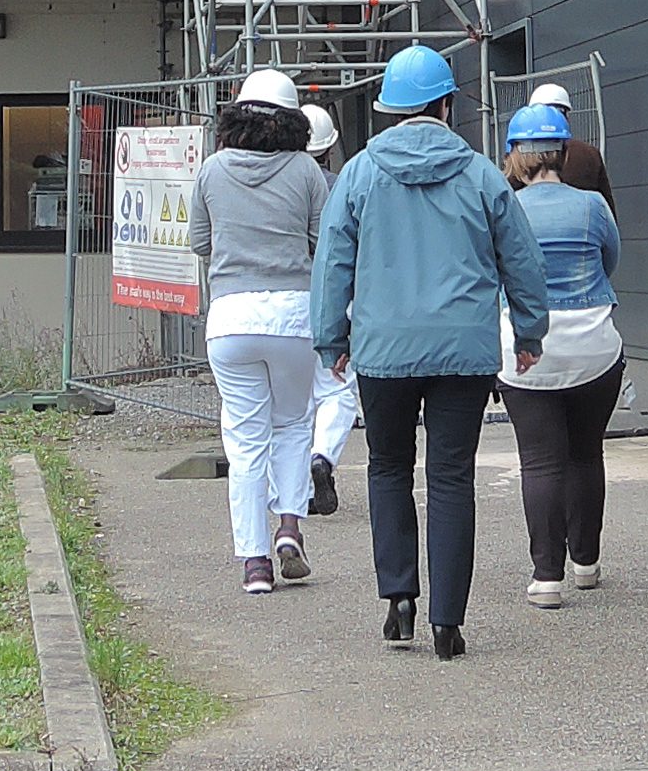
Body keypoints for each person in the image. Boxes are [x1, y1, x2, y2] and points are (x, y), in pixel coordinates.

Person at [311, 46, 551, 659]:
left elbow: (333, 259)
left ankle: (399, 598)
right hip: (463, 352)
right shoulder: (479, 173)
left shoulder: (361, 172)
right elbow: (519, 258)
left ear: (391, 111)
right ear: (446, 104)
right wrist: (529, 330)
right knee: (451, 477)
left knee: (388, 468)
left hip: (383, 349)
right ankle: (448, 623)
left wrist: (331, 337)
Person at [189, 68, 330, 598]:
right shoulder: (306, 172)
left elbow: (201, 243)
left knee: (245, 441)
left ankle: (254, 563)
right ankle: (290, 526)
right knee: (293, 424)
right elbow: (322, 241)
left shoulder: (211, 171)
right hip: (294, 314)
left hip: (231, 319)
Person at [497, 104, 623, 605]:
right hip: (594, 347)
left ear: (515, 156)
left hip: (529, 351)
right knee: (586, 453)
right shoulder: (593, 205)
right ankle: (587, 563)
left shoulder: (505, 209)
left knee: (541, 462)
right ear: (565, 152)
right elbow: (610, 260)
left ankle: (547, 576)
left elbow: (493, 273)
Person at [303, 103, 357, 513]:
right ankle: (322, 457)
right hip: (329, 299)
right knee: (337, 389)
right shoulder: (340, 187)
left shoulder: (273, 184)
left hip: (281, 300)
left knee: (292, 402)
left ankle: (296, 486)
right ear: (330, 147)